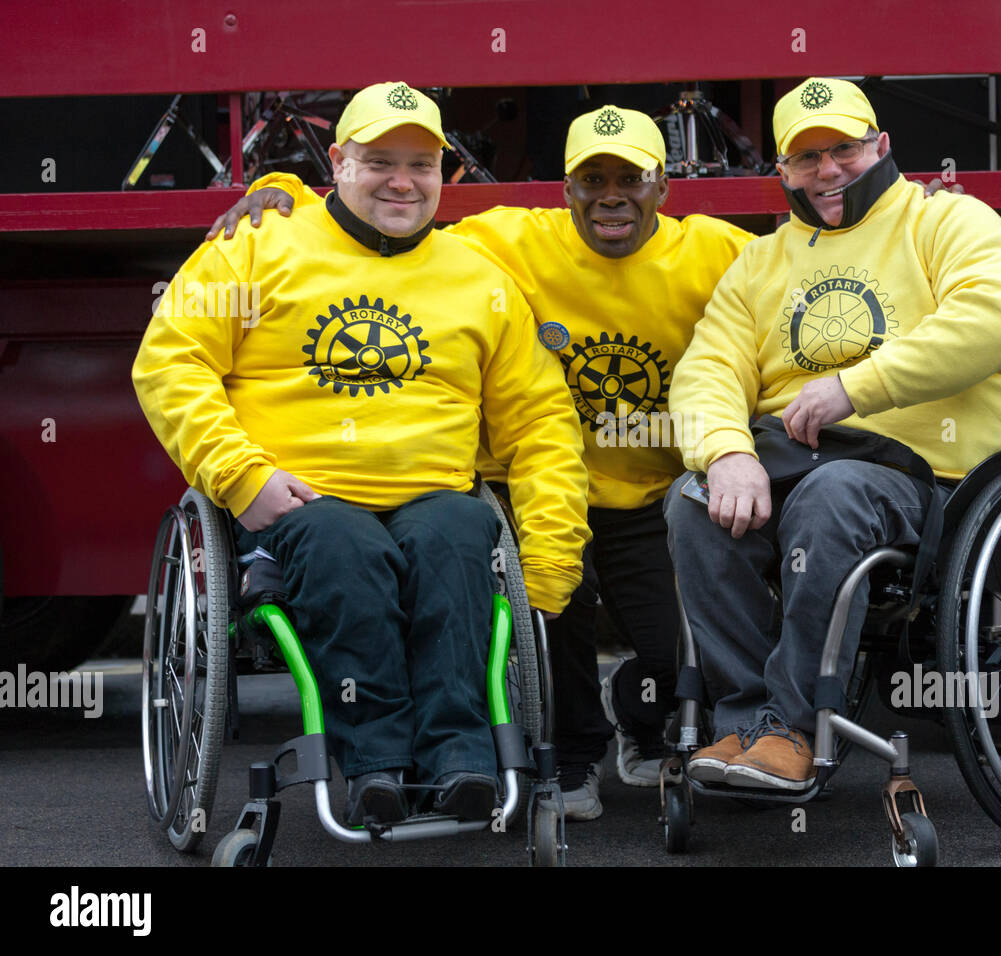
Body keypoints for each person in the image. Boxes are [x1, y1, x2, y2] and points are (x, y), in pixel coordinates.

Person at [205, 104, 754, 819]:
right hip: (461, 488)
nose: (612, 194)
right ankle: (507, 760)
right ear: (566, 189)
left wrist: (915, 200)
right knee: (530, 609)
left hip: (645, 491)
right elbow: (373, 225)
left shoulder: (711, 249)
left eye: (631, 178)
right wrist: (278, 192)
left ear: (664, 189)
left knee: (649, 644)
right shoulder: (504, 239)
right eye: (593, 178)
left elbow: (802, 264)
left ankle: (574, 731)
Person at [135, 82, 589, 825]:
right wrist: (242, 477)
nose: (402, 181)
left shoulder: (480, 277)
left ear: (445, 172)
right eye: (380, 161)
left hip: (434, 494)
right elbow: (170, 362)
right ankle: (377, 764)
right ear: (338, 161)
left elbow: (540, 420)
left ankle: (461, 762)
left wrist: (548, 563)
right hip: (302, 499)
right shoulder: (257, 243)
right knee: (346, 548)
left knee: (454, 540)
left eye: (421, 164)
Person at [665, 77, 1001, 790]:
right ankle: (747, 727)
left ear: (882, 146)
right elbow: (706, 369)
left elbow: (998, 318)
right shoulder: (760, 262)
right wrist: (727, 452)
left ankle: (796, 729)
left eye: (844, 148)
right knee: (693, 503)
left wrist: (855, 387)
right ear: (781, 172)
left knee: (831, 496)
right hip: (793, 458)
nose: (827, 170)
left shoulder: (947, 222)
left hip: (928, 471)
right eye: (806, 158)